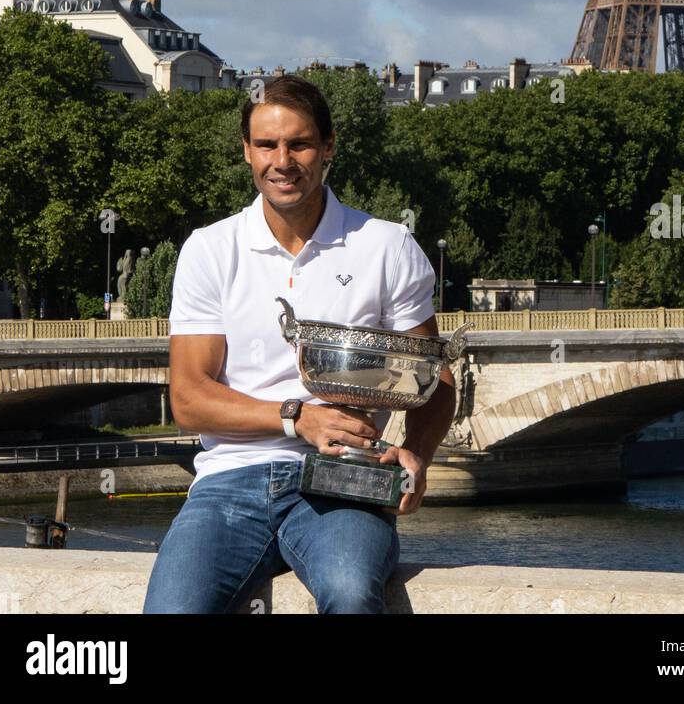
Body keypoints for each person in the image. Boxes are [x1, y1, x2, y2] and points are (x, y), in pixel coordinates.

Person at [143, 74, 455, 614]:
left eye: (299, 144)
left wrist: (417, 457)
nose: (281, 160)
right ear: (247, 152)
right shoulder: (210, 249)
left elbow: (437, 380)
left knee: (352, 595)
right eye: (266, 145)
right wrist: (298, 418)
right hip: (229, 481)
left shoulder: (386, 246)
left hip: (347, 480)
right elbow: (189, 399)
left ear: (328, 147)